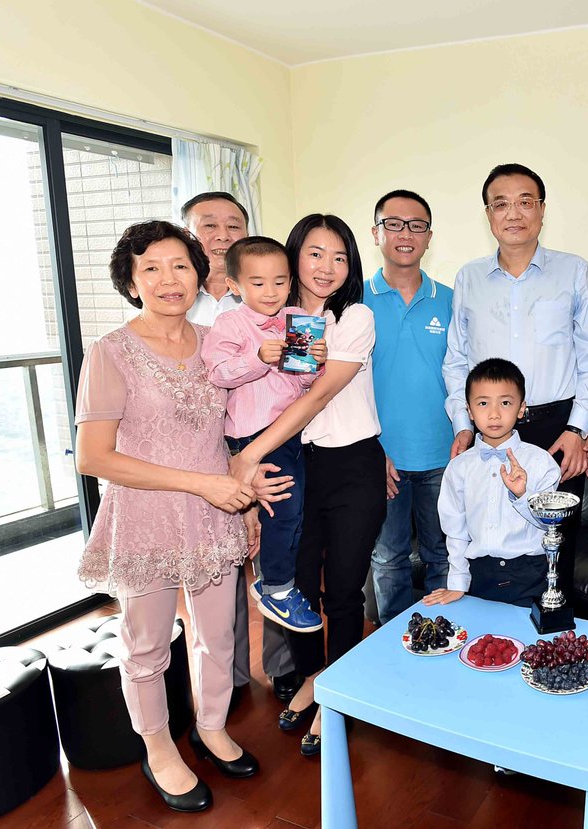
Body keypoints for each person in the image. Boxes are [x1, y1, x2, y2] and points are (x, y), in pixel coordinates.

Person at [74, 221, 288, 811]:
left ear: (201, 275)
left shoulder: (218, 339)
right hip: (145, 516)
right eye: (151, 268)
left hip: (216, 513)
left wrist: (240, 492)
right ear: (131, 281)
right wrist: (205, 484)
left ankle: (212, 726)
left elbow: (233, 429)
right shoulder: (111, 352)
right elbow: (95, 458)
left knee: (219, 637)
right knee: (146, 647)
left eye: (180, 266)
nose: (168, 279)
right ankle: (159, 747)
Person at [229, 214, 384, 757]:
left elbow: (316, 397)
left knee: (342, 589)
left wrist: (247, 455)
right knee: (295, 583)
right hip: (297, 462)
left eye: (339, 257)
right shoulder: (268, 320)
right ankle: (311, 678)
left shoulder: (355, 317)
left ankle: (335, 695)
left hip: (351, 465)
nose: (327, 267)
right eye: (315, 254)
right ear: (293, 258)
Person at [442, 163, 588, 598]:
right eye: (501, 204)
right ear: (488, 214)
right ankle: (486, 648)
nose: (513, 213)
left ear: (541, 210)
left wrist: (577, 429)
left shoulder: (573, 271)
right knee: (485, 539)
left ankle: (550, 650)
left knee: (555, 550)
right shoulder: (469, 278)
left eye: (524, 202)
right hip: (490, 427)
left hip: (556, 431)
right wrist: (464, 423)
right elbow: (457, 361)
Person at [182, 190, 299, 704]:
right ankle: (223, 679)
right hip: (205, 446)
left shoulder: (277, 305)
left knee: (276, 528)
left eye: (234, 222)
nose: (222, 232)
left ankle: (282, 666)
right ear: (190, 232)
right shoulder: (179, 293)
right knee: (219, 562)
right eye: (209, 224)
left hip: (264, 435)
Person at [202, 236, 327, 632]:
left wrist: (315, 363)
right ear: (235, 285)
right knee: (284, 511)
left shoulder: (296, 316)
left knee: (292, 513)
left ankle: (277, 584)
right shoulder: (230, 323)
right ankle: (275, 587)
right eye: (257, 282)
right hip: (254, 434)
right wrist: (256, 358)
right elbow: (218, 373)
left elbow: (303, 379)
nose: (270, 291)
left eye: (279, 281)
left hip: (289, 432)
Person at [364, 190, 453, 624]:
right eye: (394, 224)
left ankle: (444, 636)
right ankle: (394, 644)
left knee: (444, 556)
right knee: (388, 558)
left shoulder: (451, 299)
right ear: (375, 232)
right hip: (382, 457)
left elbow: (466, 377)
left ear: (429, 236)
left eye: (416, 225)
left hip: (444, 454)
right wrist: (368, 451)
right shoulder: (352, 301)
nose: (405, 234)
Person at [424, 358, 560, 608]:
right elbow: (454, 529)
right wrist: (457, 581)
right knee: (479, 642)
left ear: (521, 408)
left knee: (525, 643)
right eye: (483, 403)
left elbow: (549, 525)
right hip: (479, 573)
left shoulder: (542, 462)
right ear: (469, 410)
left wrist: (522, 495)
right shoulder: (459, 467)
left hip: (529, 573)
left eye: (506, 403)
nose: (494, 413)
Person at [183, 192, 247, 325]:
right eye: (210, 225)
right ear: (187, 235)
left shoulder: (272, 293)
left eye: (233, 227)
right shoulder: (172, 294)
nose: (223, 236)